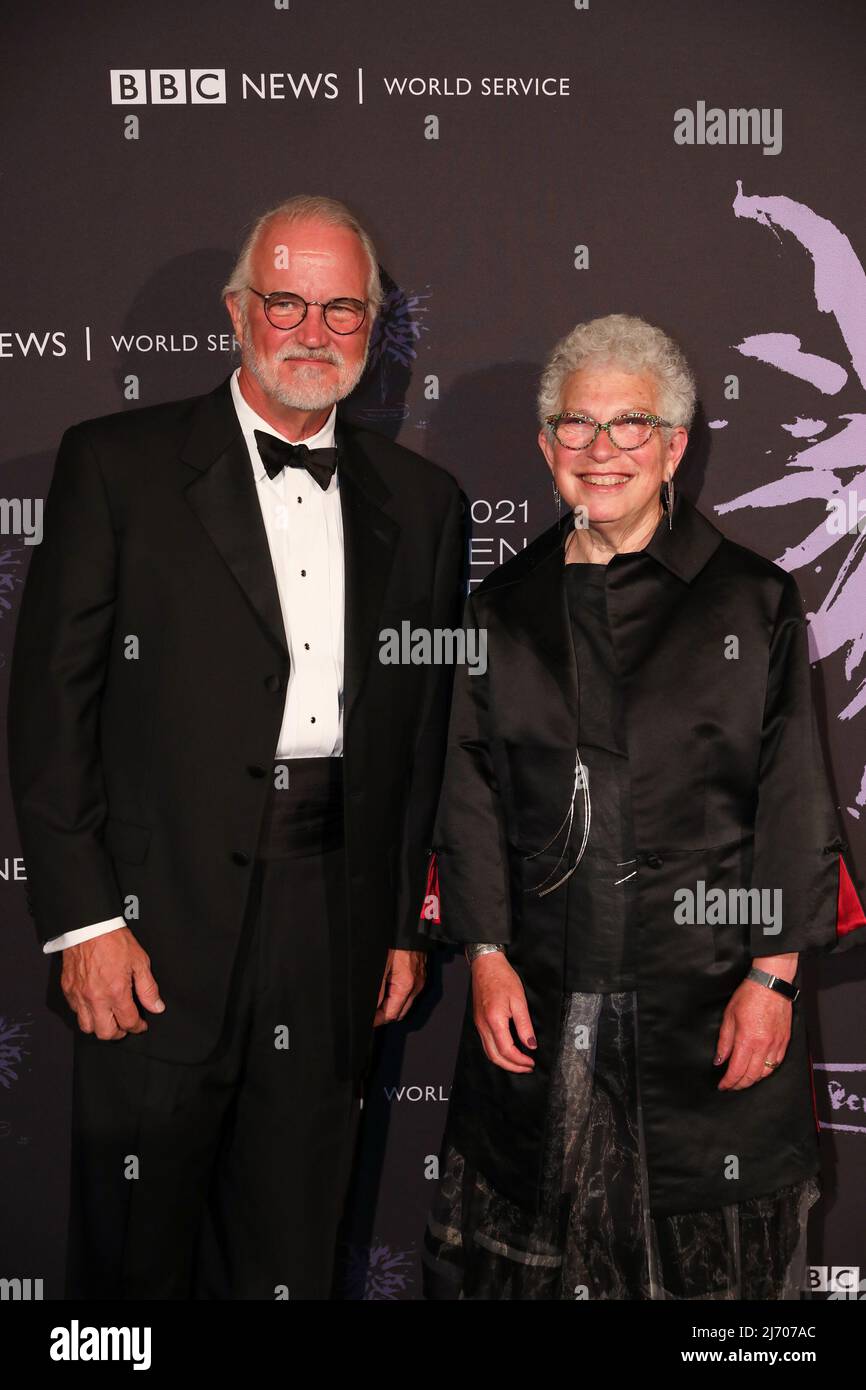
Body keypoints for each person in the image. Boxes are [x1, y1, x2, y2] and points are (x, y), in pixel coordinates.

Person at [8, 193, 464, 1300]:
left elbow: (417, 740)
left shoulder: (424, 502)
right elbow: (49, 710)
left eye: (342, 310)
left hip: (335, 922)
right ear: (236, 311)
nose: (313, 332)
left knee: (293, 1246)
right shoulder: (114, 465)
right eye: (288, 303)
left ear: (374, 325)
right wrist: (83, 919)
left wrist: (402, 920)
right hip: (150, 927)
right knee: (134, 1245)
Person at [421, 313, 866, 1300]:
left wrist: (774, 981)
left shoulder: (751, 601)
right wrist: (486, 956)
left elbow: (794, 800)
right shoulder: (497, 610)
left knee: (718, 1290)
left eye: (630, 425)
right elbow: (470, 799)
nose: (600, 450)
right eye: (575, 425)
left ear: (673, 444)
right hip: (539, 1005)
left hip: (707, 1003)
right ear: (544, 449)